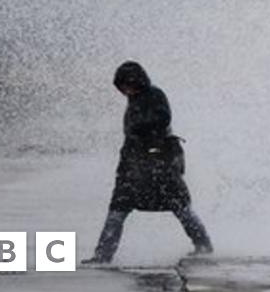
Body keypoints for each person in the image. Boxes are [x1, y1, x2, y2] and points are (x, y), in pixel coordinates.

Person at [82, 61, 213, 264]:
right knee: (117, 211)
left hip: (159, 164)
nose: (125, 90)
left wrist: (139, 130)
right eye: (122, 86)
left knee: (181, 208)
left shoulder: (154, 95)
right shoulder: (134, 99)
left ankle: (204, 246)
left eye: (127, 84)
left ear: (138, 81)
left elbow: (163, 119)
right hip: (134, 167)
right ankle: (102, 256)